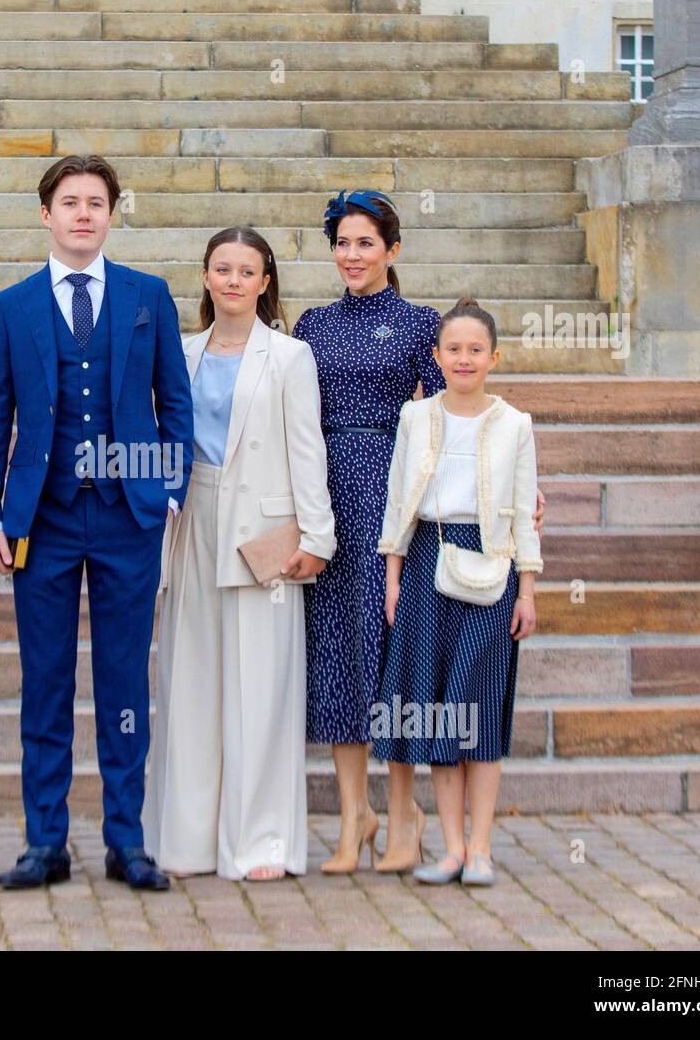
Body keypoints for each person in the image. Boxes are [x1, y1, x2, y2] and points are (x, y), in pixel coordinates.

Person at [293, 188, 545, 874]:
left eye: (365, 243)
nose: (352, 254)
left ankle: (405, 812)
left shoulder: (417, 325)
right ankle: (354, 816)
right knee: (340, 653)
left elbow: (453, 417)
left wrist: (515, 487)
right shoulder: (311, 324)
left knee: (396, 658)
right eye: (342, 242)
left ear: (392, 249)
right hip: (327, 491)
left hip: (399, 495)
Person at [0, 155, 193, 892]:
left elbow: (176, 403)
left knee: (125, 681)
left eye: (97, 202)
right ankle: (46, 842)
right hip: (46, 518)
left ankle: (127, 842)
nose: (84, 214)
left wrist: (167, 486)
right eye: (70, 202)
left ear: (111, 213)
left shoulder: (146, 295)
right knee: (47, 680)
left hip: (129, 517)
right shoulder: (12, 306)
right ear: (47, 214)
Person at [143, 227, 335, 881]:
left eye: (245, 270)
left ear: (264, 280)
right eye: (221, 268)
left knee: (261, 687)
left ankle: (261, 842)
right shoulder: (182, 351)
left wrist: (318, 535)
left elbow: (307, 448)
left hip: (264, 530)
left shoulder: (290, 356)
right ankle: (188, 840)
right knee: (191, 680)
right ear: (204, 276)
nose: (232, 279)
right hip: (193, 517)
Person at [374, 297, 542, 887]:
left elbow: (524, 510)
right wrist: (393, 579)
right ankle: (448, 848)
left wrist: (528, 590)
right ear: (437, 356)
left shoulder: (515, 424)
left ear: (493, 357)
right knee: (440, 711)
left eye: (475, 350)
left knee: (480, 704)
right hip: (426, 562)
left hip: (491, 569)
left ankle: (482, 848)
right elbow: (399, 498)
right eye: (453, 349)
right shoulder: (415, 417)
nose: (463, 359)